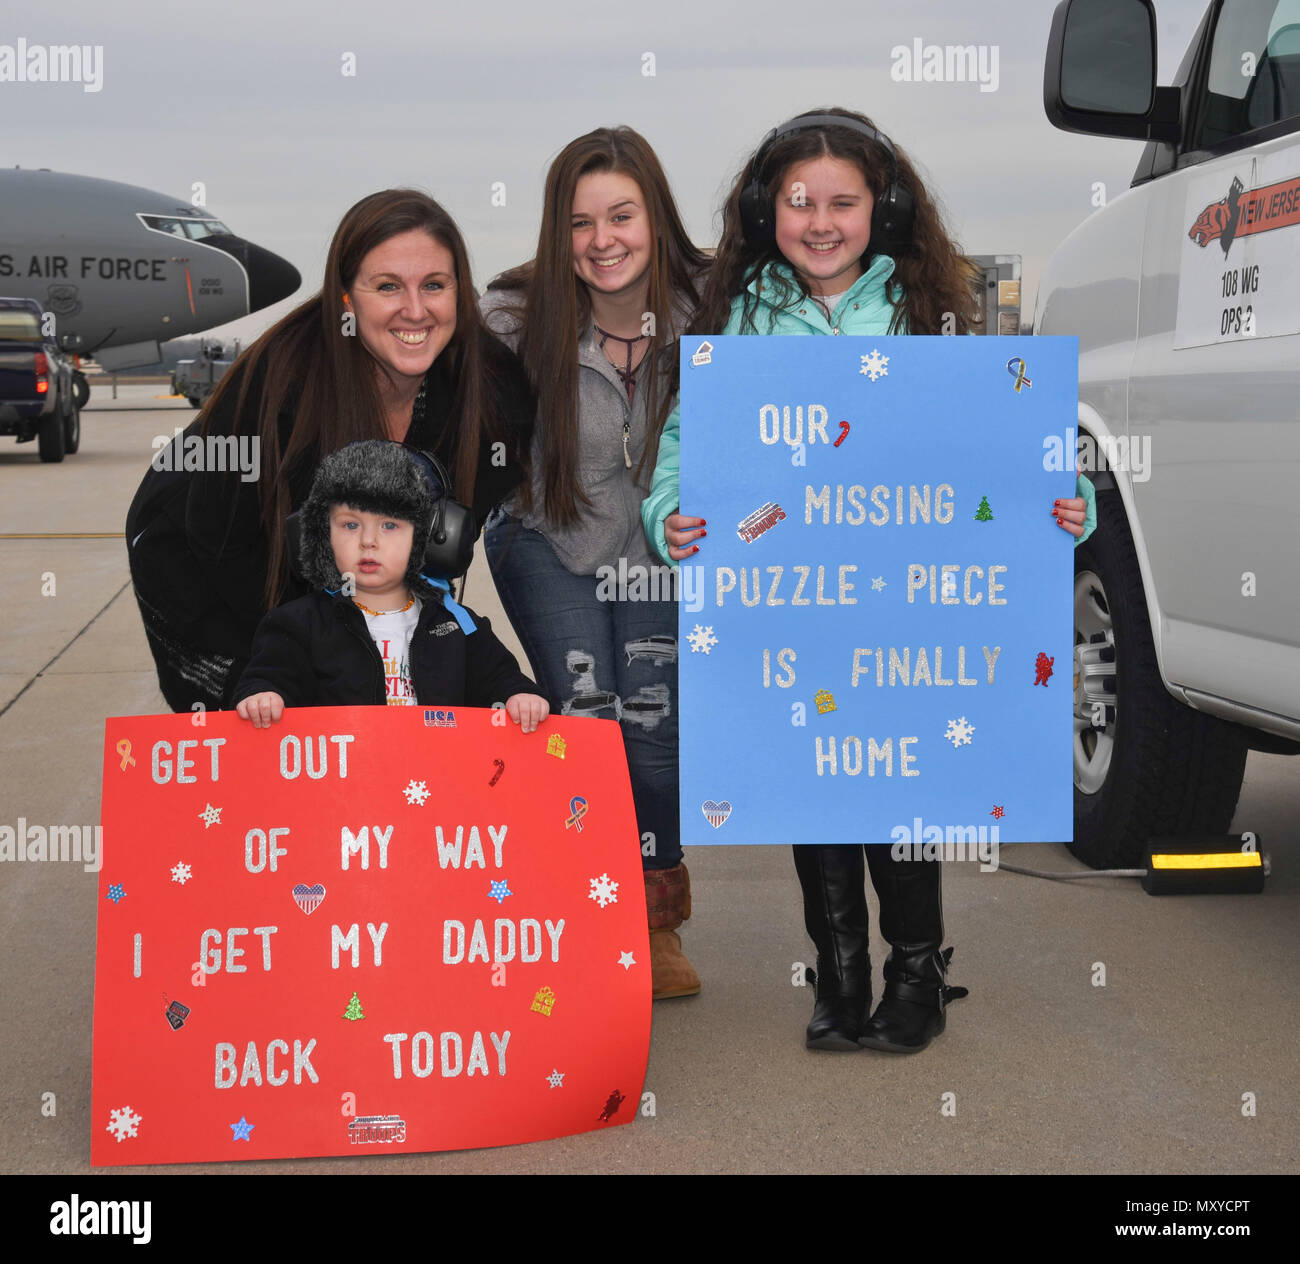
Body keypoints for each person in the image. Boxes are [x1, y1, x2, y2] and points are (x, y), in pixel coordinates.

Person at [641, 108, 1097, 1052]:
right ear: (766, 209)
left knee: (901, 792)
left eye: (842, 201)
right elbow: (688, 442)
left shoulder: (923, 311)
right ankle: (838, 974)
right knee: (817, 788)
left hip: (906, 606)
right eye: (798, 201)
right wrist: (668, 513)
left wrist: (1062, 500)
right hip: (794, 605)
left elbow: (994, 439)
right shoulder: (737, 318)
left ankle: (916, 969)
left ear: (881, 206)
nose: (819, 220)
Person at [126, 189, 534, 716]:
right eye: (387, 286)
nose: (415, 310)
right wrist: (306, 659)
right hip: (206, 562)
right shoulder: (278, 381)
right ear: (345, 297)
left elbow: (447, 539)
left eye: (434, 285)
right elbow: (219, 537)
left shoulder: (492, 387)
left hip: (327, 568)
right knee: (274, 726)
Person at [479, 127, 710, 999]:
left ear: (656, 218)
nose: (602, 240)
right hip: (551, 541)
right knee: (588, 722)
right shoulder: (511, 316)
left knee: (653, 738)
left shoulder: (713, 309)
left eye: (622, 215)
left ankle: (658, 921)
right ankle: (592, 916)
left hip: (661, 553)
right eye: (580, 223)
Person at [233, 440, 548, 728]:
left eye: (390, 525)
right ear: (319, 536)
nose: (368, 541)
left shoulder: (458, 625)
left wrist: (518, 697)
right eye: (351, 524)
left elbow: (500, 679)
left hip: (436, 780)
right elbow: (266, 678)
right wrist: (264, 696)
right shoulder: (297, 625)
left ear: (427, 537)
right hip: (345, 784)